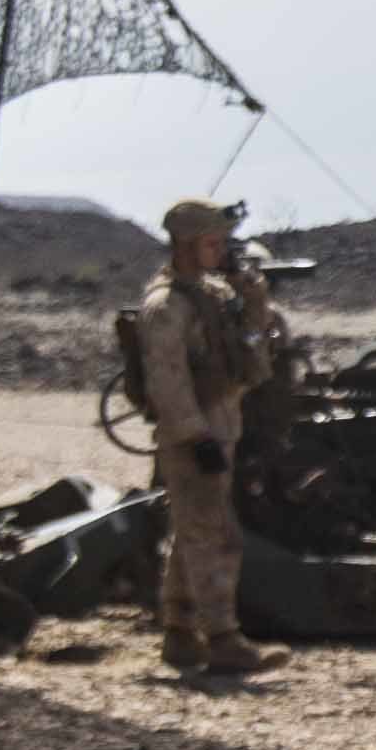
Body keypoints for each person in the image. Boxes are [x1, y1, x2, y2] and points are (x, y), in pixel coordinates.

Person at [129, 195, 282, 680]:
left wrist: (254, 295)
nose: (220, 251)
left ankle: (179, 632)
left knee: (191, 529)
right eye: (211, 243)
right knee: (216, 534)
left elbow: (255, 344)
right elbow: (166, 380)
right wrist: (195, 436)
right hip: (194, 434)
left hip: (218, 425)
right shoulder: (166, 307)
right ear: (186, 245)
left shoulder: (210, 294)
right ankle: (222, 638)